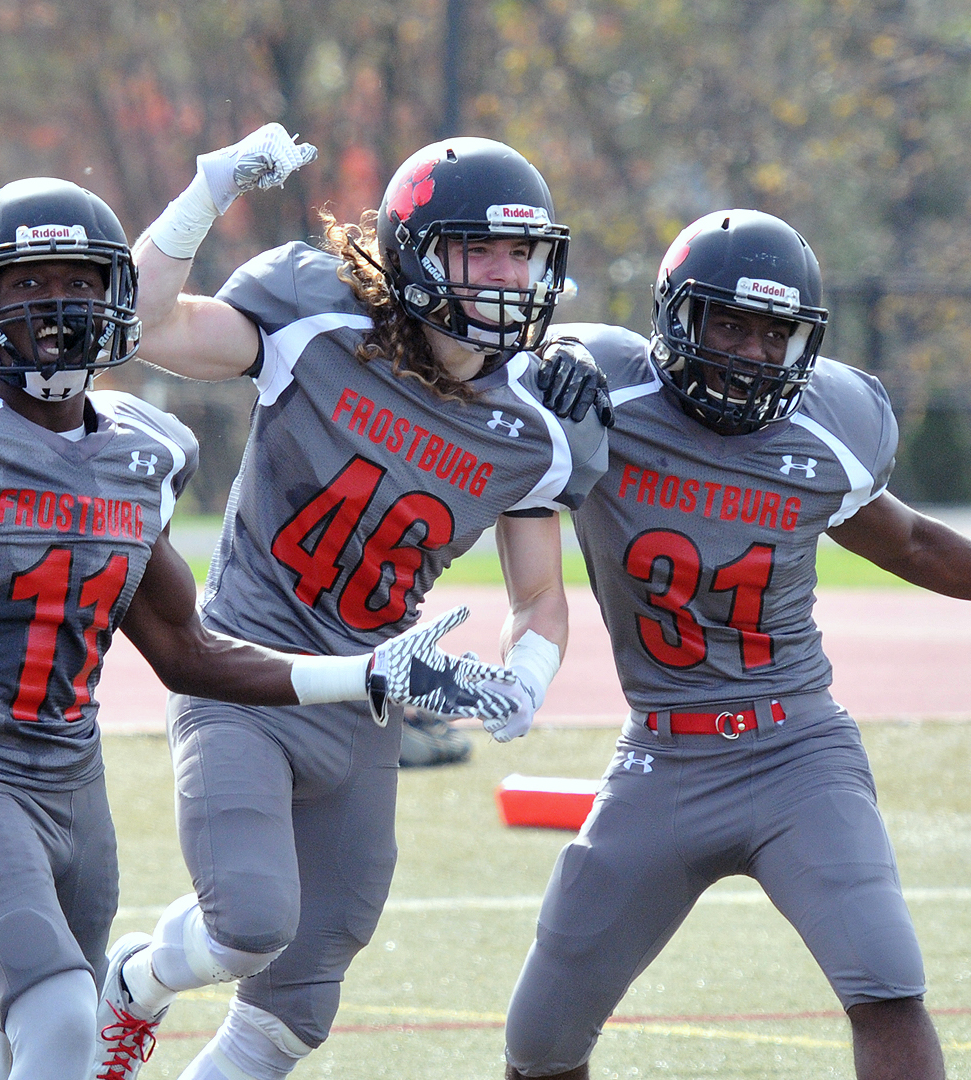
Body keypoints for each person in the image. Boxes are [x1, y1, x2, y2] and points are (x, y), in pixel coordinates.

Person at [0, 177, 520, 1080]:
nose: (56, 307)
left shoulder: (140, 454)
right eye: (27, 285)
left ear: (112, 292)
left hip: (74, 783)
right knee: (64, 1020)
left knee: (33, 1043)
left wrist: (365, 674)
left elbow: (187, 652)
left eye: (76, 281)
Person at [505, 208, 971, 1080]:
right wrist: (545, 362)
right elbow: (482, 372)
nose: (747, 352)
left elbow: (916, 543)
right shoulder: (607, 393)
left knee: (886, 979)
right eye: (727, 323)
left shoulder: (825, 429)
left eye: (773, 333)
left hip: (796, 752)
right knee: (540, 1041)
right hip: (661, 759)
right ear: (674, 318)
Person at [89, 128, 611, 1080]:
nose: (506, 275)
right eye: (478, 250)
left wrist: (528, 675)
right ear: (415, 252)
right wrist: (204, 192)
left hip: (366, 697)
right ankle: (132, 982)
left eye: (522, 252)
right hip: (244, 666)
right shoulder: (315, 315)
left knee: (303, 997)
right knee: (248, 923)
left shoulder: (539, 421)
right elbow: (136, 325)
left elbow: (539, 595)